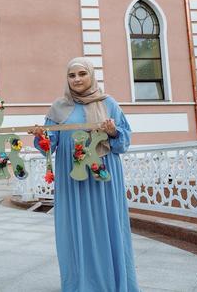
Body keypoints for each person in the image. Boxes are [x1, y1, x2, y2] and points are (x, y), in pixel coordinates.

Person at [29, 58, 139, 292]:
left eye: (82, 74)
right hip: (73, 180)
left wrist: (112, 131)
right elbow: (50, 146)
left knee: (108, 226)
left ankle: (114, 283)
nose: (77, 79)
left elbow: (123, 143)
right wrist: (41, 136)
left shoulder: (109, 104)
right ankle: (81, 285)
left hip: (104, 179)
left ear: (91, 75)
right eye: (72, 75)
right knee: (75, 231)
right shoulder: (58, 107)